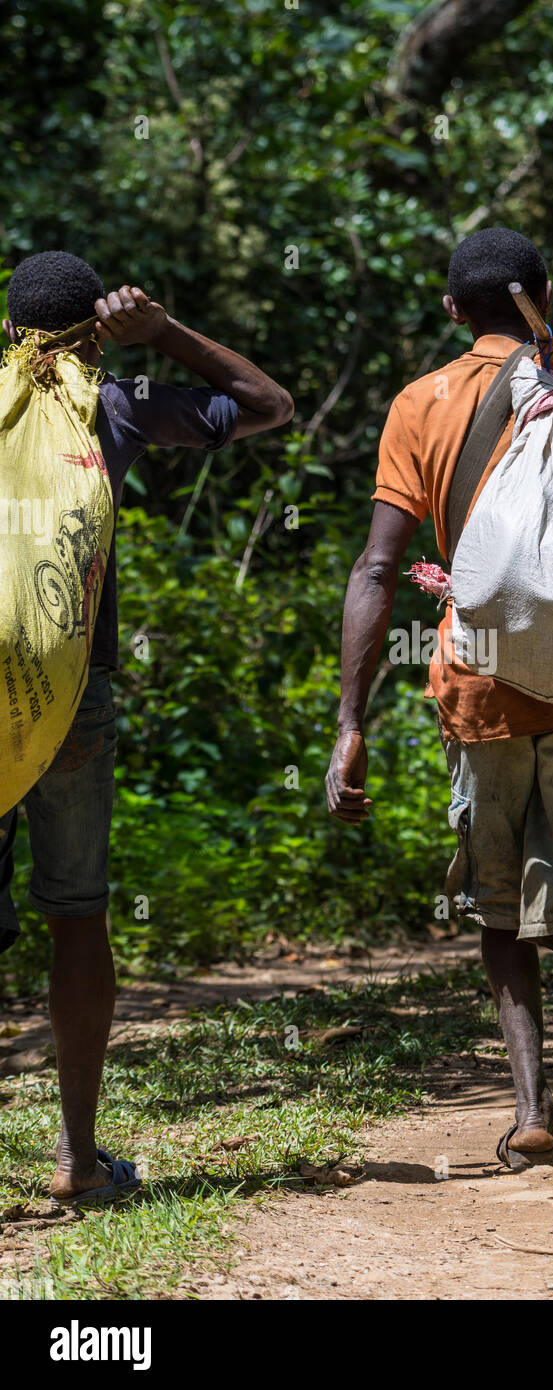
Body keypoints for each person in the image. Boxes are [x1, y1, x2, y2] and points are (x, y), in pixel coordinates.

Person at [326, 227, 553, 1170]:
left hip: (480, 687)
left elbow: (379, 567)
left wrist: (350, 723)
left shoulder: (420, 402)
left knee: (499, 908)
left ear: (453, 310)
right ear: (545, 293)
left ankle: (532, 1114)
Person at [0, 250, 293, 1202]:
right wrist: (162, 331)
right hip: (69, 695)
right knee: (75, 914)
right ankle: (79, 1159)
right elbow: (265, 404)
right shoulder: (112, 406)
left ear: (9, 330)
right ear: (94, 331)